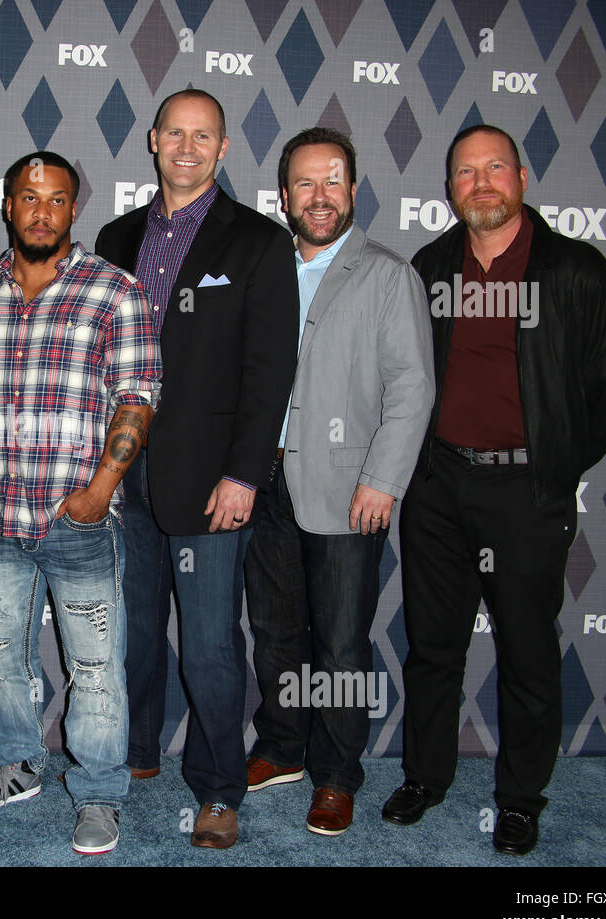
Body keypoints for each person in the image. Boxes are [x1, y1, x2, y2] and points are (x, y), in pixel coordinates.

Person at [384, 124, 606, 855]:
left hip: (527, 493)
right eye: (466, 173)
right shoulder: (431, 266)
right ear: (450, 189)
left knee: (527, 651)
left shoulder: (574, 270)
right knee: (432, 646)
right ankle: (425, 777)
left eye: (495, 167)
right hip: (437, 486)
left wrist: (554, 461)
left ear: (522, 177)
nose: (481, 182)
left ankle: (521, 799)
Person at [96, 90, 297, 849]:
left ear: (221, 149)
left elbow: (270, 370)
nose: (186, 146)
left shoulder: (256, 241)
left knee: (211, 643)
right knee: (134, 629)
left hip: (210, 479)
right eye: (174, 132)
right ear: (153, 140)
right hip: (122, 475)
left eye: (202, 135)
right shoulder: (115, 237)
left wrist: (245, 475)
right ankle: (138, 751)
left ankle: (218, 788)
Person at [0, 152, 160, 855]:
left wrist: (99, 492)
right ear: (7, 206)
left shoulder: (114, 290)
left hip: (78, 519)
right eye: (28, 198)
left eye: (57, 199)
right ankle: (16, 765)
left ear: (76, 209)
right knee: (3, 655)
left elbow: (137, 397)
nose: (42, 211)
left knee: (96, 668)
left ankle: (100, 793)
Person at [242, 127, 434, 836]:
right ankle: (283, 746)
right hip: (266, 483)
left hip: (351, 488)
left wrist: (383, 480)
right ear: (284, 195)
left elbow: (411, 388)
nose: (319, 196)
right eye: (304, 183)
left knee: (343, 643)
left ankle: (337, 773)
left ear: (353, 190)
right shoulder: (263, 268)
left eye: (332, 182)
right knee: (273, 630)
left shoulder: (388, 274)